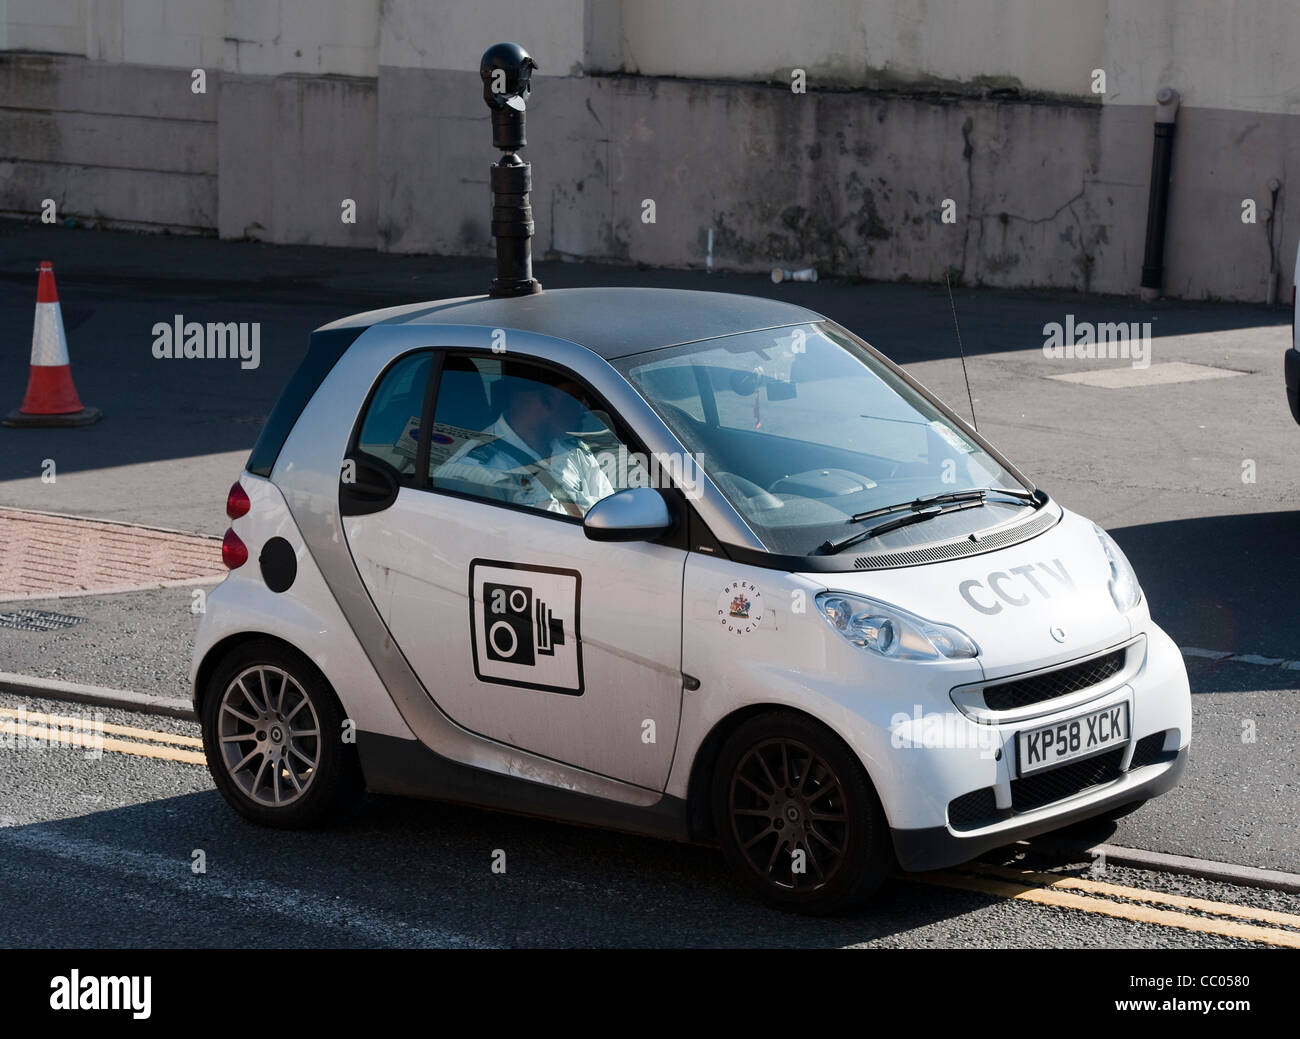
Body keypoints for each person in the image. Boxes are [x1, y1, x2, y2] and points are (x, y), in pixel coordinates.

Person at [433, 368, 615, 517]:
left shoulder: (574, 450)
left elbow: (612, 514)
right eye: (577, 397)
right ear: (546, 401)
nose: (586, 405)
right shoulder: (474, 471)